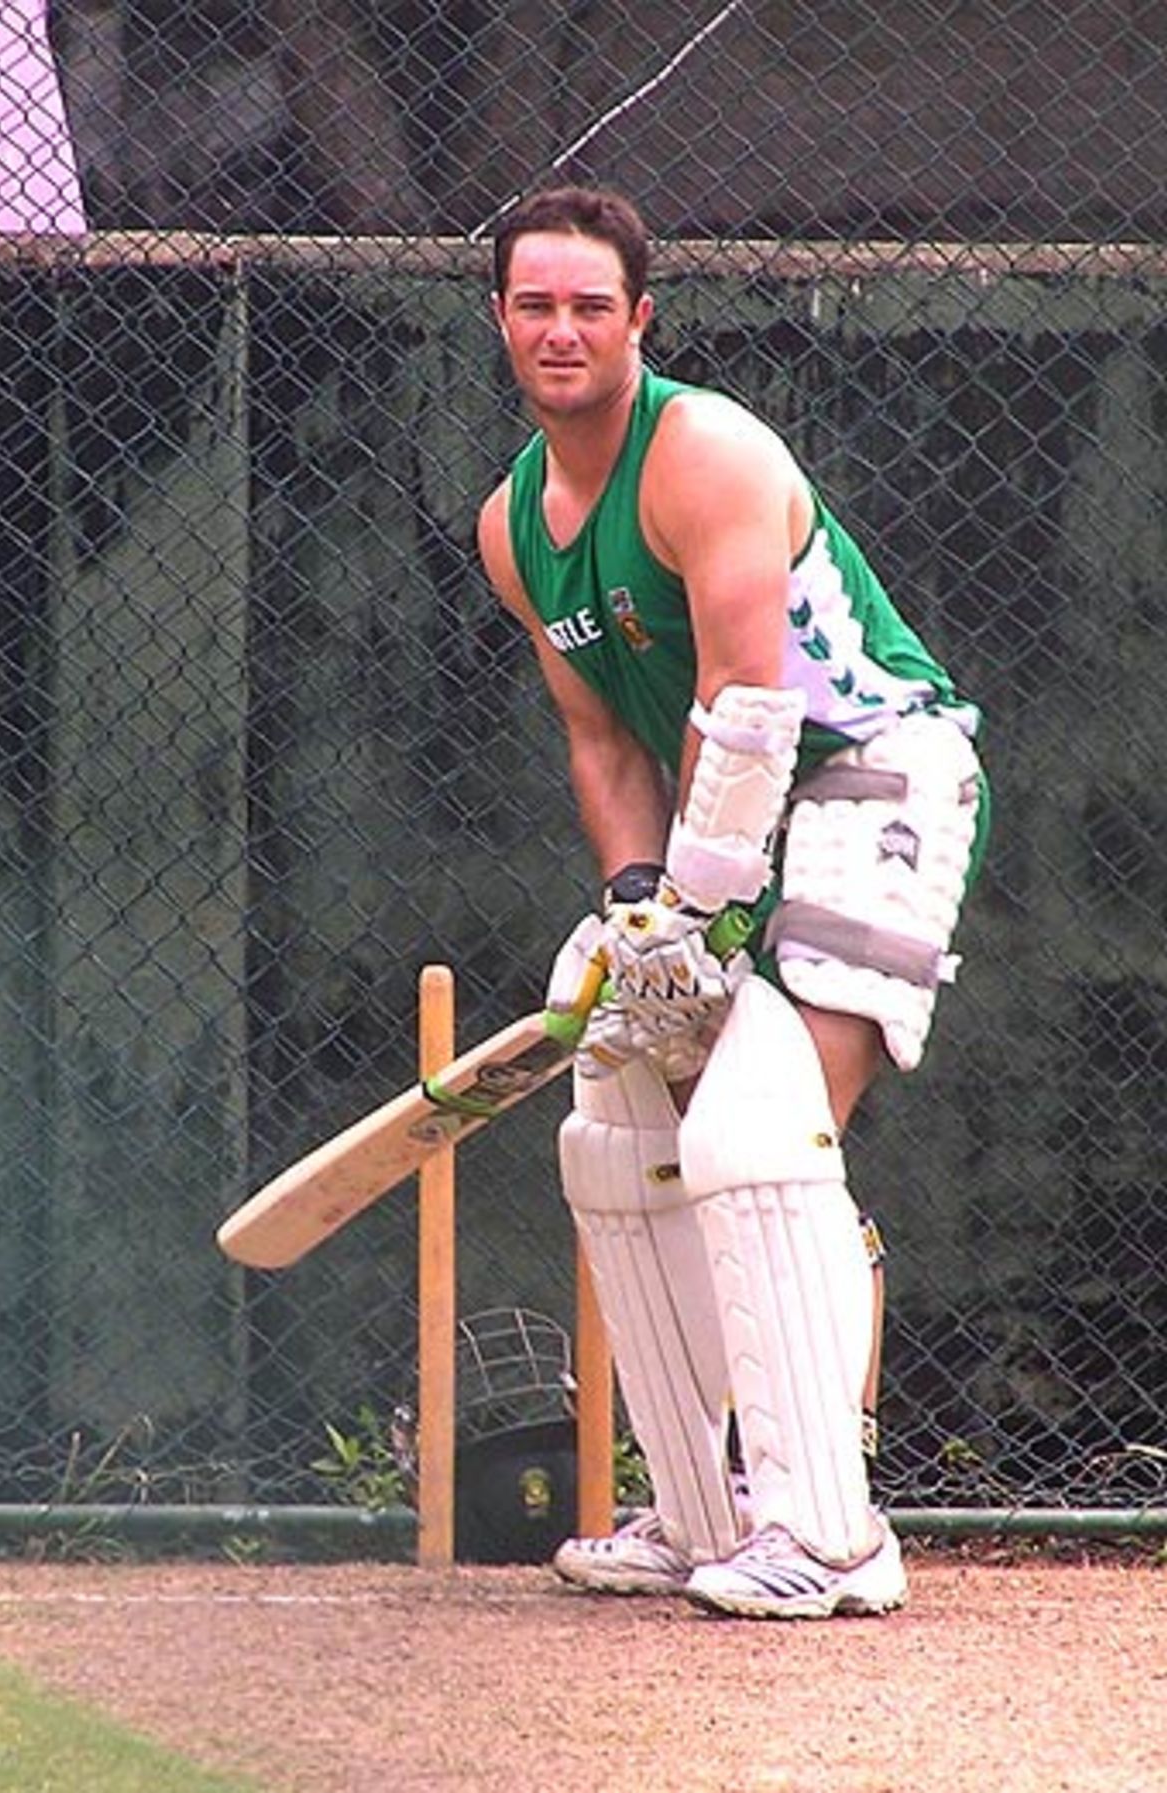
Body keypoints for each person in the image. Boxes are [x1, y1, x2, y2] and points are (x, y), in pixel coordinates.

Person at [476, 184, 989, 1620]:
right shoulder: (515, 524)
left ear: (641, 318)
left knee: (758, 1129)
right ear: (501, 322)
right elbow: (600, 739)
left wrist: (699, 905)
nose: (561, 329)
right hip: (719, 826)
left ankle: (830, 1533)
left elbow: (750, 707)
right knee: (617, 1120)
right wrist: (641, 904)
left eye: (590, 304)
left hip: (876, 777)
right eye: (535, 303)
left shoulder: (703, 452)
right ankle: (703, 1514)